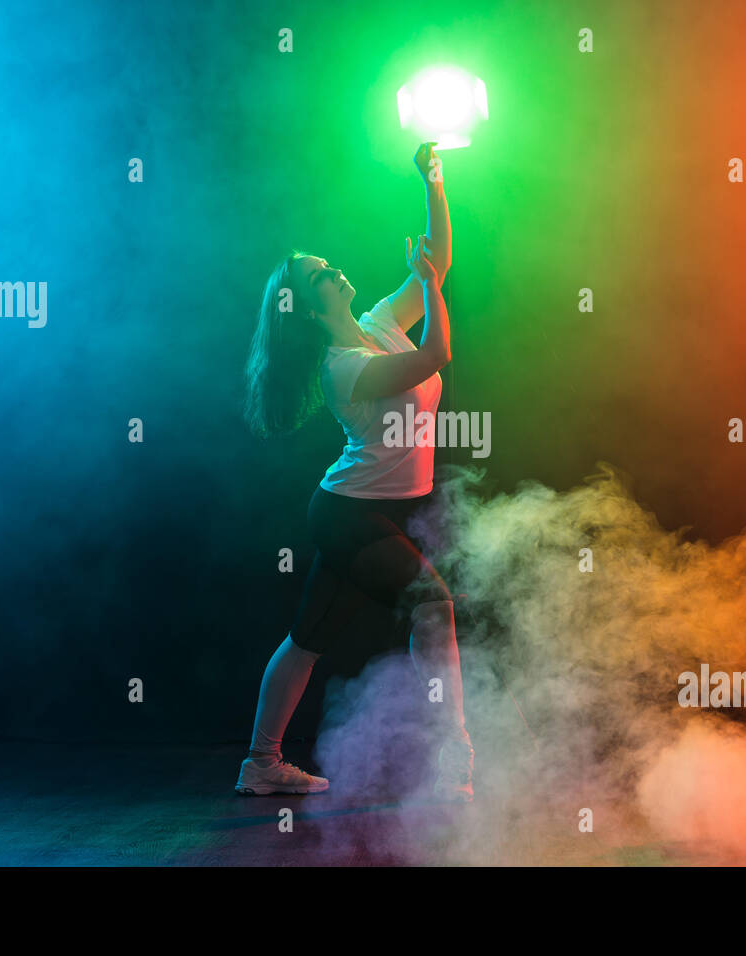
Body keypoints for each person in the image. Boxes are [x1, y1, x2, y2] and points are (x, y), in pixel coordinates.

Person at [236, 143, 473, 802]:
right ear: (310, 309)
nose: (335, 273)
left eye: (330, 266)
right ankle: (454, 762)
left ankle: (260, 764)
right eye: (320, 277)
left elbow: (441, 259)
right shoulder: (341, 368)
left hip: (366, 508)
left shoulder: (375, 325)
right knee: (434, 604)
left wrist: (433, 180)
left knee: (308, 639)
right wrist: (425, 283)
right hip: (349, 516)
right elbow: (437, 353)